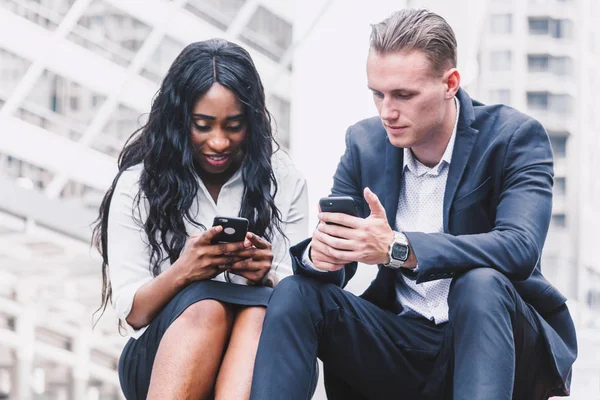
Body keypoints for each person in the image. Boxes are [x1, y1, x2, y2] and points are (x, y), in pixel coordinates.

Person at [249, 9, 577, 400]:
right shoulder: (364, 145)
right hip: (405, 340)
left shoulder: (513, 138)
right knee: (296, 294)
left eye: (404, 95)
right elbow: (342, 264)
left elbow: (519, 247)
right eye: (378, 93)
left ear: (450, 83)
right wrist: (326, 256)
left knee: (480, 282)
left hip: (494, 341)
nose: (387, 111)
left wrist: (397, 248)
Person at [92, 39, 308, 400]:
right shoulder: (138, 184)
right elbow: (133, 313)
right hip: (162, 354)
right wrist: (185, 272)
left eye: (234, 125)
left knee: (260, 312)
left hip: (254, 345)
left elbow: (300, 300)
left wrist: (267, 277)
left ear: (251, 123)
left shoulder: (284, 180)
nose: (220, 142)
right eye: (203, 125)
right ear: (180, 122)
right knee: (206, 308)